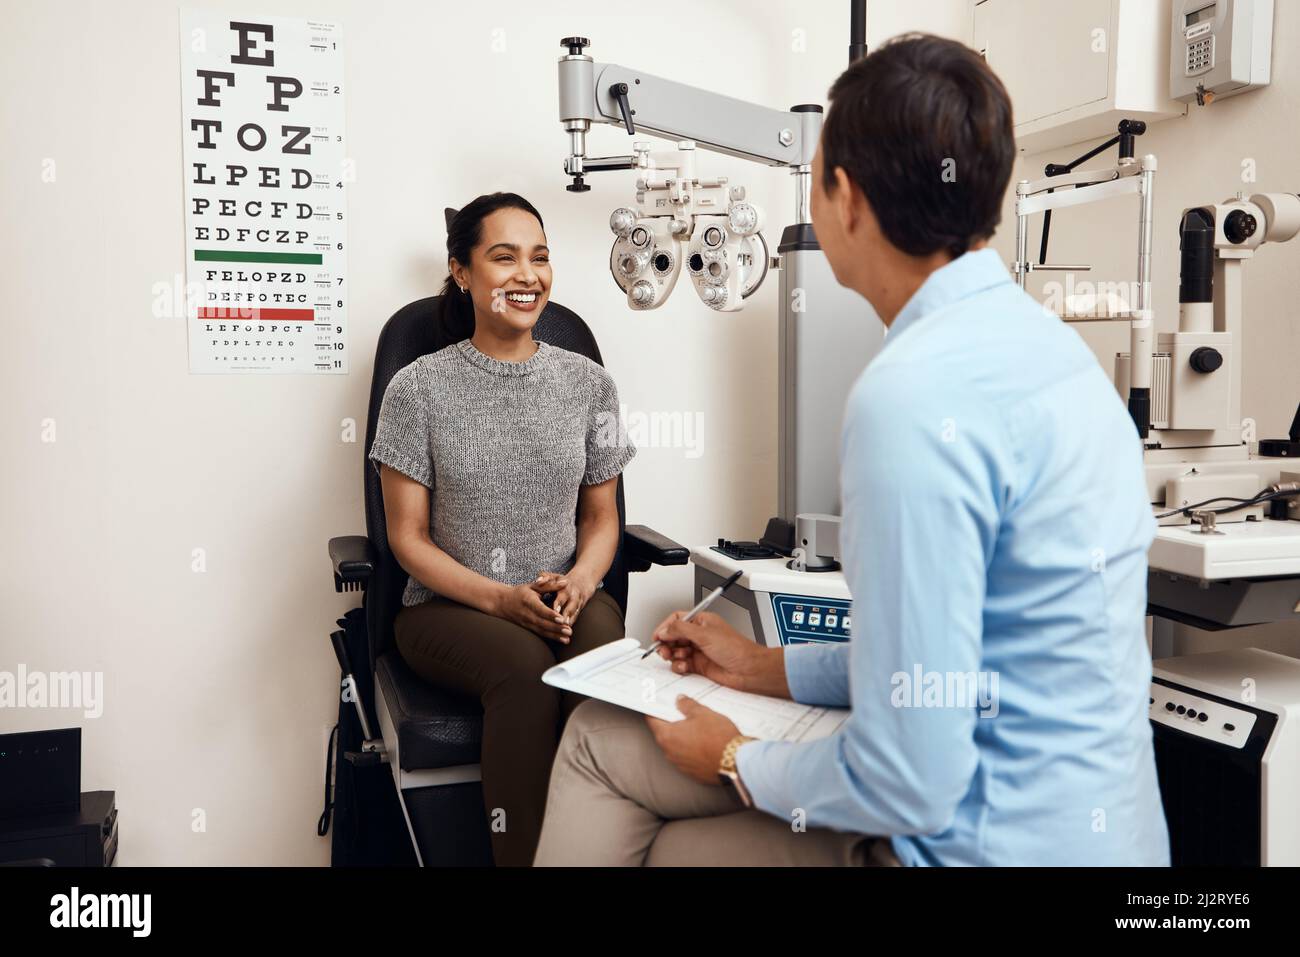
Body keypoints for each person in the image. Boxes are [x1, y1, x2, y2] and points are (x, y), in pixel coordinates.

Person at [533, 33, 1170, 867]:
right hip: (1109, 836)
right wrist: (760, 667)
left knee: (610, 763)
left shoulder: (910, 396)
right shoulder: (1058, 355)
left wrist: (735, 757)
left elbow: (911, 778)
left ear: (848, 199)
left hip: (979, 840)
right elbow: (940, 663)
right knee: (647, 798)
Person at [368, 192, 636, 866]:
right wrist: (499, 599)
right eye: (505, 257)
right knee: (522, 670)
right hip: (446, 607)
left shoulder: (590, 384)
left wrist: (581, 581)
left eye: (540, 257)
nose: (528, 275)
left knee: (603, 665)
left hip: (565, 594)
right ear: (462, 271)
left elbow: (601, 517)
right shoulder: (417, 389)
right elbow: (407, 538)